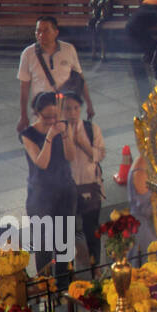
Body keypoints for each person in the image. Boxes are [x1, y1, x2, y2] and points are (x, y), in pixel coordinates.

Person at [19, 92, 78, 277]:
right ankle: (45, 285)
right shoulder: (28, 134)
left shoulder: (63, 126)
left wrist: (65, 135)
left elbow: (70, 156)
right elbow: (41, 162)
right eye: (47, 117)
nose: (52, 120)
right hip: (41, 195)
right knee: (44, 243)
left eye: (55, 115)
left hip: (65, 189)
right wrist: (50, 137)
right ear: (37, 113)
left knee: (64, 240)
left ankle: (65, 283)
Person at [17, 15, 94, 133]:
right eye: (38, 31)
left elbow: (79, 77)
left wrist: (89, 104)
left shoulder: (68, 49)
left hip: (65, 108)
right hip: (42, 109)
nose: (41, 35)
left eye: (46, 30)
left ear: (56, 32)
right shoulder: (28, 54)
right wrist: (23, 115)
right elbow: (24, 86)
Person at [60, 92, 103, 269]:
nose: (72, 113)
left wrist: (81, 142)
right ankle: (68, 272)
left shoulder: (91, 129)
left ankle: (95, 268)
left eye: (76, 108)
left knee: (92, 230)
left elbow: (99, 154)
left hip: (89, 187)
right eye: (68, 108)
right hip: (67, 189)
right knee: (66, 233)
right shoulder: (57, 131)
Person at [125, 155, 156, 265]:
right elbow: (147, 206)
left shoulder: (149, 165)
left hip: (148, 225)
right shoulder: (140, 171)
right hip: (142, 228)